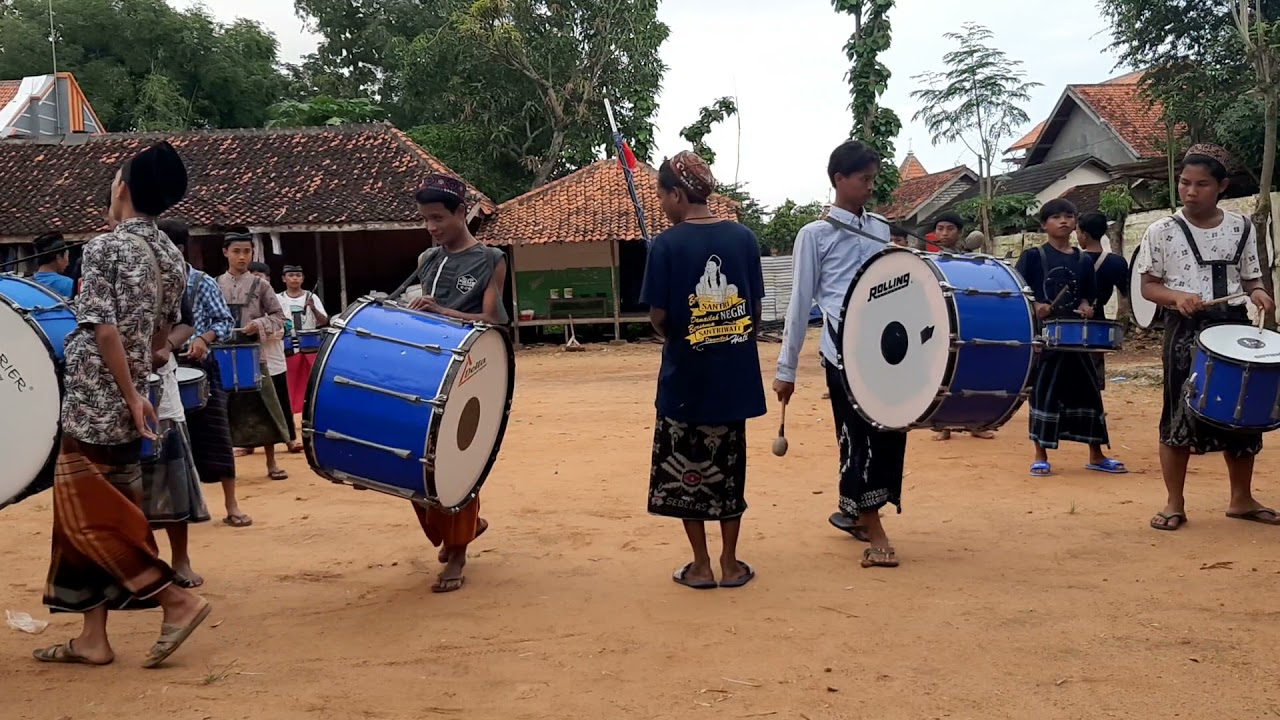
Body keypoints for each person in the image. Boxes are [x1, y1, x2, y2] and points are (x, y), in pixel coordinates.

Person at [33, 141, 211, 668]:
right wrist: (136, 388)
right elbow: (159, 339)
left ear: (123, 189)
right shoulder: (171, 256)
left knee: (88, 518)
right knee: (97, 514)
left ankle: (175, 601)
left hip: (96, 400)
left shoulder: (104, 248)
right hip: (135, 400)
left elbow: (104, 329)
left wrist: (127, 392)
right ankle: (93, 638)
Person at [775, 140, 906, 568]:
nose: (870, 186)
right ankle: (873, 525)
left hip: (886, 350)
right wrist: (786, 369)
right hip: (843, 352)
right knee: (859, 436)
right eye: (864, 179)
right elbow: (800, 303)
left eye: (873, 179)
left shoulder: (881, 229)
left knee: (891, 429)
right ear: (839, 179)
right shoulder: (814, 235)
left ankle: (855, 509)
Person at [1135, 144, 1278, 531]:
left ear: (1222, 186)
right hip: (1185, 331)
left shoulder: (1242, 226)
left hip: (1234, 327)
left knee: (1244, 412)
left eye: (1201, 184)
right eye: (1184, 183)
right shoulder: (1161, 231)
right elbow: (1148, 287)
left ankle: (1241, 499)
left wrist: (1260, 293)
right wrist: (1176, 297)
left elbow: (1251, 279)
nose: (1190, 191)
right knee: (1178, 412)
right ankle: (1174, 503)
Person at [640, 151, 765, 590]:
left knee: (684, 474)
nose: (660, 204)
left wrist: (679, 334)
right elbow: (755, 309)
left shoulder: (666, 245)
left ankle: (701, 565)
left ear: (676, 194)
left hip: (685, 381)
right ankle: (731, 563)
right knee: (729, 470)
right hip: (733, 380)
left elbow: (658, 316)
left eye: (661, 195)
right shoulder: (744, 239)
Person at [398, 174, 505, 592]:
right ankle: (460, 530)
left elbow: (493, 319)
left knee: (456, 462)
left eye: (438, 218)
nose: (431, 227)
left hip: (468, 374)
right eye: (425, 219)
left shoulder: (490, 259)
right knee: (413, 462)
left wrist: (443, 311)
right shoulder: (427, 259)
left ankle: (458, 552)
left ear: (462, 212)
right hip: (424, 370)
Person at [1014, 199, 1124, 477]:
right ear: (1044, 225)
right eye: (1055, 217)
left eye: (1068, 216)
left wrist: (1087, 306)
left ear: (1075, 222)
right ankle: (1040, 455)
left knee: (1089, 394)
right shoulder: (1033, 257)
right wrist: (1036, 306)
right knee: (1044, 394)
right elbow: (1018, 292)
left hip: (1077, 338)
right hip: (1045, 338)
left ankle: (1096, 455)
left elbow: (1088, 295)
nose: (1063, 221)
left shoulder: (1083, 260)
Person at [157, 220, 247, 528]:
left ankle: (232, 505)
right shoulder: (150, 282)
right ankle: (178, 508)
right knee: (169, 440)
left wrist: (203, 340)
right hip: (162, 368)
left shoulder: (202, 282)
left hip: (201, 369)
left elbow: (224, 322)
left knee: (217, 436)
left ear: (178, 249)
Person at [217, 234, 291, 479]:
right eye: (236, 251)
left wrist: (259, 324)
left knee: (265, 407)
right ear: (225, 252)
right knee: (225, 411)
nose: (242, 257)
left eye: (247, 252)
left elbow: (279, 317)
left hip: (254, 356)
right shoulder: (215, 284)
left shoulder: (261, 285)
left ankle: (272, 463)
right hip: (223, 357)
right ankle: (227, 467)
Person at [931, 212, 997, 441]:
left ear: (959, 233)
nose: (944, 233)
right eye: (940, 228)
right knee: (943, 374)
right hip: (941, 323)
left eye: (950, 229)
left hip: (967, 322)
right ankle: (943, 425)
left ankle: (975, 423)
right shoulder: (929, 261)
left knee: (972, 372)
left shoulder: (970, 262)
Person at [246, 261, 301, 453]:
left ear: (268, 280)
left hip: (273, 359)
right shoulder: (243, 300)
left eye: (261, 277)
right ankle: (248, 444)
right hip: (249, 359)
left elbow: (283, 328)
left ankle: (290, 439)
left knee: (280, 401)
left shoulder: (280, 301)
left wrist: (257, 329)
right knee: (250, 403)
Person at [1076, 211, 1130, 391]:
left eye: (1077, 232)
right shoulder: (1117, 262)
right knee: (1093, 378)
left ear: (1085, 234)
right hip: (1098, 322)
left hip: (1070, 322)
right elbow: (1126, 293)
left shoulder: (1073, 259)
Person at [278, 264, 328, 415]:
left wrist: (313, 308)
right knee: (289, 381)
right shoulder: (278, 298)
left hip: (310, 347)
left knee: (311, 380)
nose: (294, 278)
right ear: (284, 279)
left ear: (303, 279)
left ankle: (310, 412)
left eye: (298, 275)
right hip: (288, 347)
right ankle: (291, 414)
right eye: (291, 275)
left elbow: (324, 321)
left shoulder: (311, 297)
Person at [32, 232, 76, 299]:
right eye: (67, 256)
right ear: (58, 257)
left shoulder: (26, 283)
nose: (68, 263)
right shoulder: (68, 284)